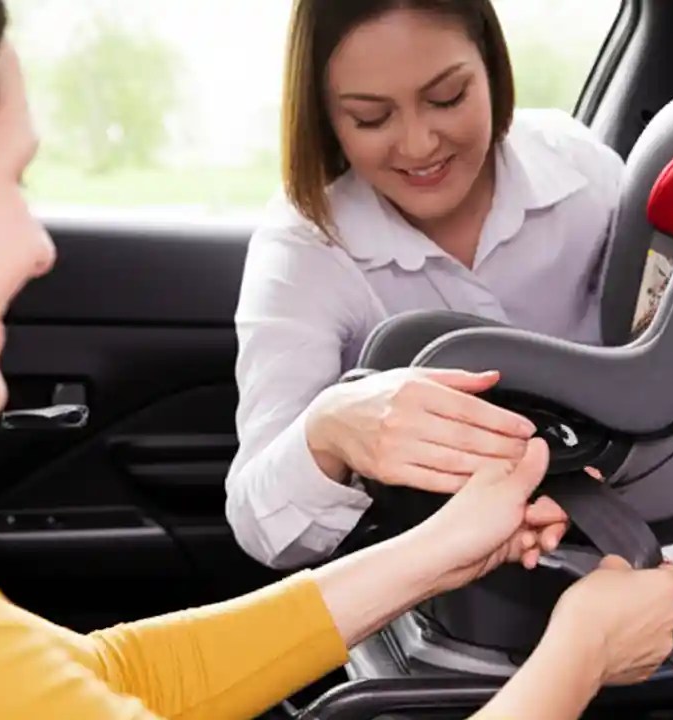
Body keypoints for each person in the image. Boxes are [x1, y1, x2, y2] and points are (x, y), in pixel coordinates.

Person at [0, 2, 673, 719]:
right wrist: (580, 656)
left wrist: (446, 550)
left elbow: (114, 673)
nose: (38, 248)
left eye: (445, 96)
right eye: (10, 184)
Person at [226, 0, 626, 569]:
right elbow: (260, 524)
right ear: (326, 118)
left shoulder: (583, 171)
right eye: (371, 118)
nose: (418, 146)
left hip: (623, 545)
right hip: (434, 590)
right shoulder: (306, 246)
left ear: (490, 64)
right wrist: (330, 431)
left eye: (447, 99)